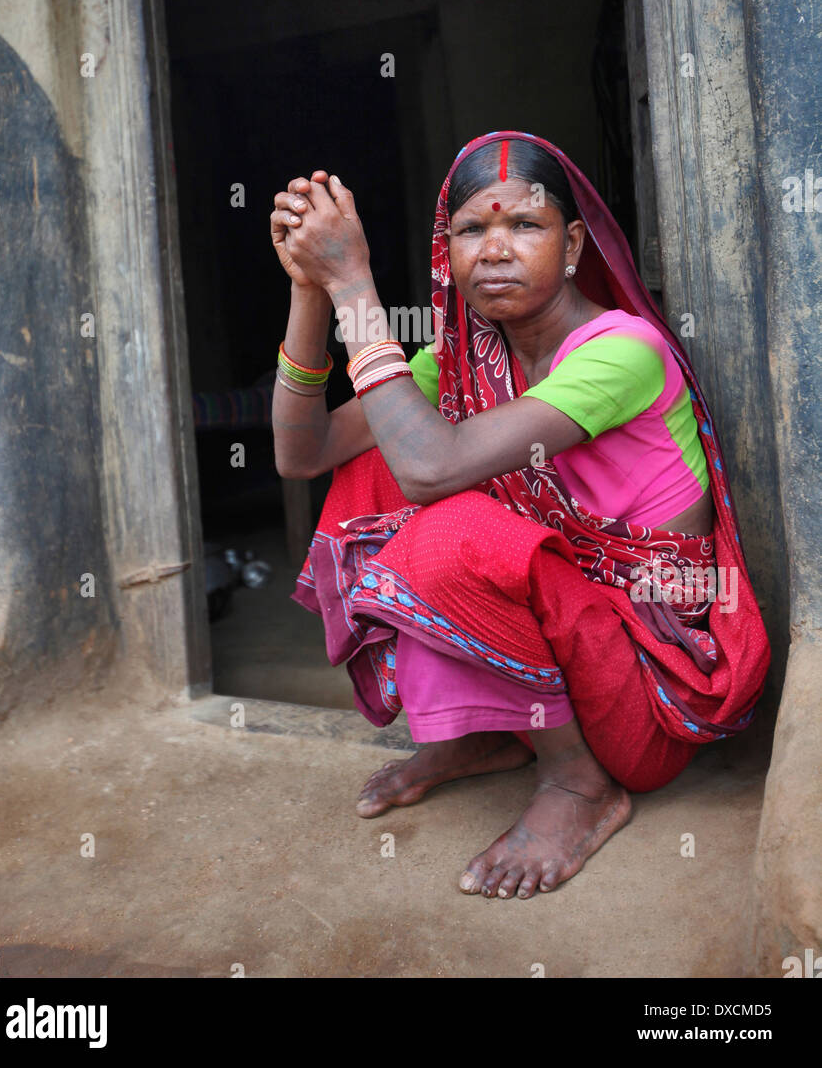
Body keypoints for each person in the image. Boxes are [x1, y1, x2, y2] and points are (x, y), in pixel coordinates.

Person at [270, 131, 770, 901]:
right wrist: (312, 290)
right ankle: (490, 735)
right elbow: (304, 454)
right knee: (374, 461)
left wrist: (355, 284)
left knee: (444, 523)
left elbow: (432, 470)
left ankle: (579, 785)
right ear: (448, 252)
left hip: (649, 698)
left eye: (524, 226)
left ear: (571, 243)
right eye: (472, 229)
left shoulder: (621, 351)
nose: (495, 249)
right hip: (578, 646)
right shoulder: (468, 362)